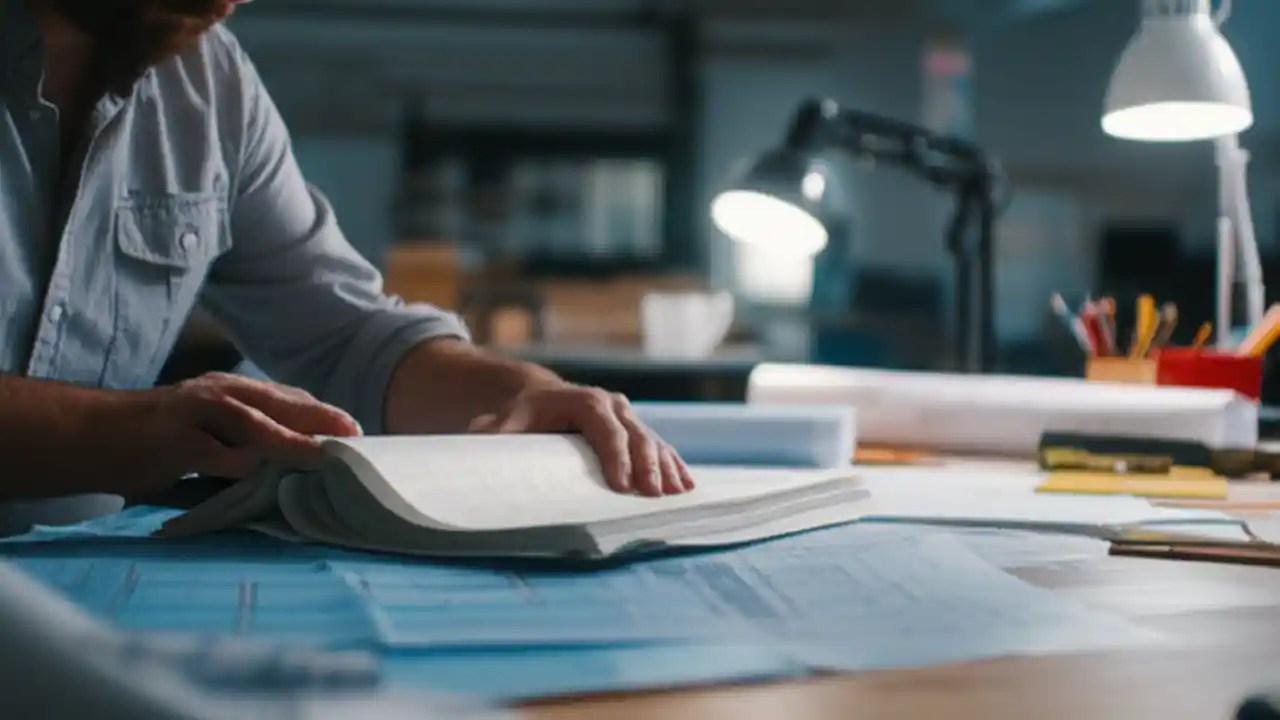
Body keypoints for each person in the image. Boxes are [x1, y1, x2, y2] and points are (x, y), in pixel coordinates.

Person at [0, 0, 694, 535]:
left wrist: (522, 396)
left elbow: (346, 336)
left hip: (79, 590)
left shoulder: (209, 86)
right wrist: (130, 432)